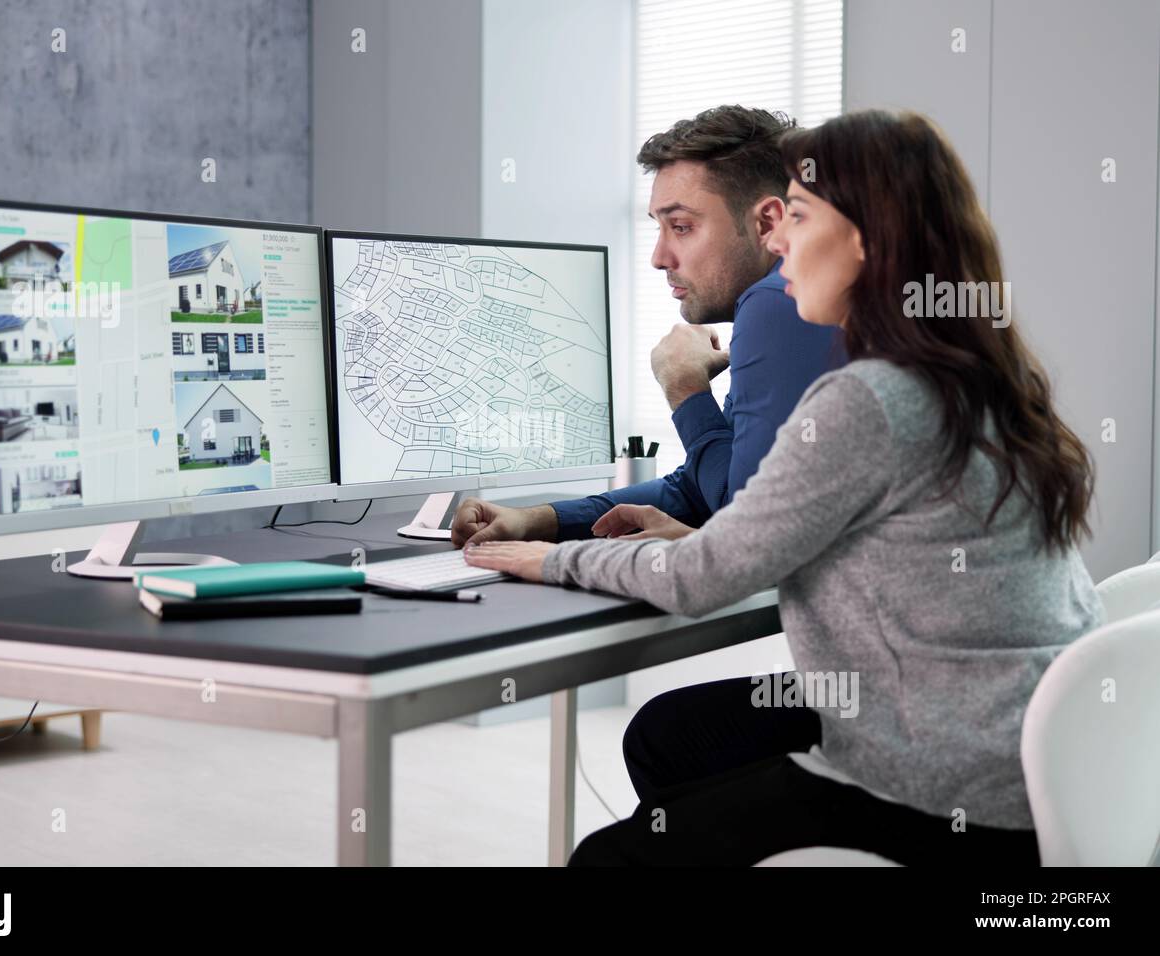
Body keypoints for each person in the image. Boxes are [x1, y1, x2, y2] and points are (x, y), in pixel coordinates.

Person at [465, 109, 1105, 866]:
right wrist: (587, 525)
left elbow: (707, 575)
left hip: (942, 787)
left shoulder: (870, 396)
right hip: (1046, 764)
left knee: (606, 860)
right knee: (676, 740)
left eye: (796, 218)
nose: (776, 241)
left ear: (864, 240)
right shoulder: (981, 379)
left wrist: (549, 560)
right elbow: (761, 517)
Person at [451, 105, 844, 548]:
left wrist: (685, 389)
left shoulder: (777, 301)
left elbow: (743, 525)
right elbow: (696, 489)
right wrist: (538, 520)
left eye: (681, 227)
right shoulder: (803, 290)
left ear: (766, 222)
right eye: (659, 227)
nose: (659, 257)